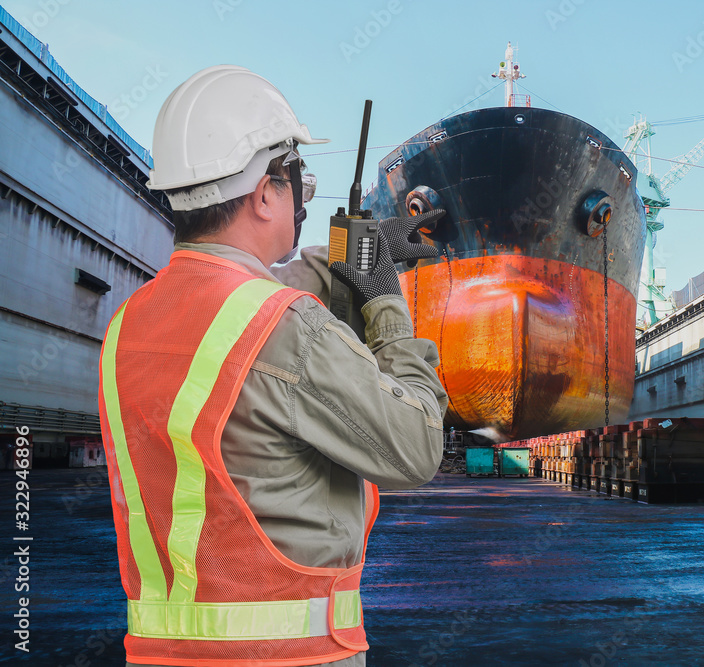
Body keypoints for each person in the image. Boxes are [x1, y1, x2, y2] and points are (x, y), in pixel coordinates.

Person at [98, 65, 449, 667]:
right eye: (295, 182)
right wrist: (385, 300)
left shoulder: (128, 323)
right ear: (265, 194)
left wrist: (341, 257)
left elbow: (234, 301)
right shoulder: (289, 327)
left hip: (162, 653)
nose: (302, 198)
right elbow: (416, 447)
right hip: (290, 655)